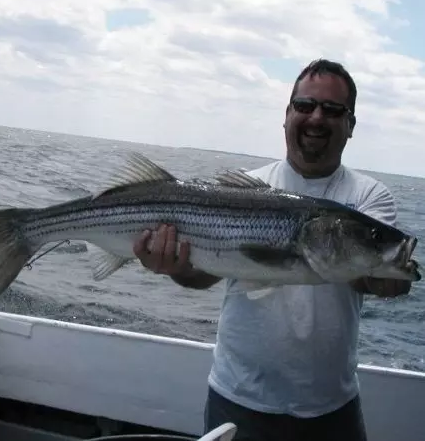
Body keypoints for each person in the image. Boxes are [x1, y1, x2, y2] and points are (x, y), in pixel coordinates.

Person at [132, 59, 413, 441]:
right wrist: (176, 267)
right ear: (286, 115)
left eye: (333, 110)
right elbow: (203, 276)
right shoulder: (245, 188)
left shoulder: (368, 197)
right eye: (304, 105)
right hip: (238, 397)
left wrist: (388, 276)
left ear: (350, 125)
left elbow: (366, 275)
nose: (316, 117)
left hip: (332, 406)